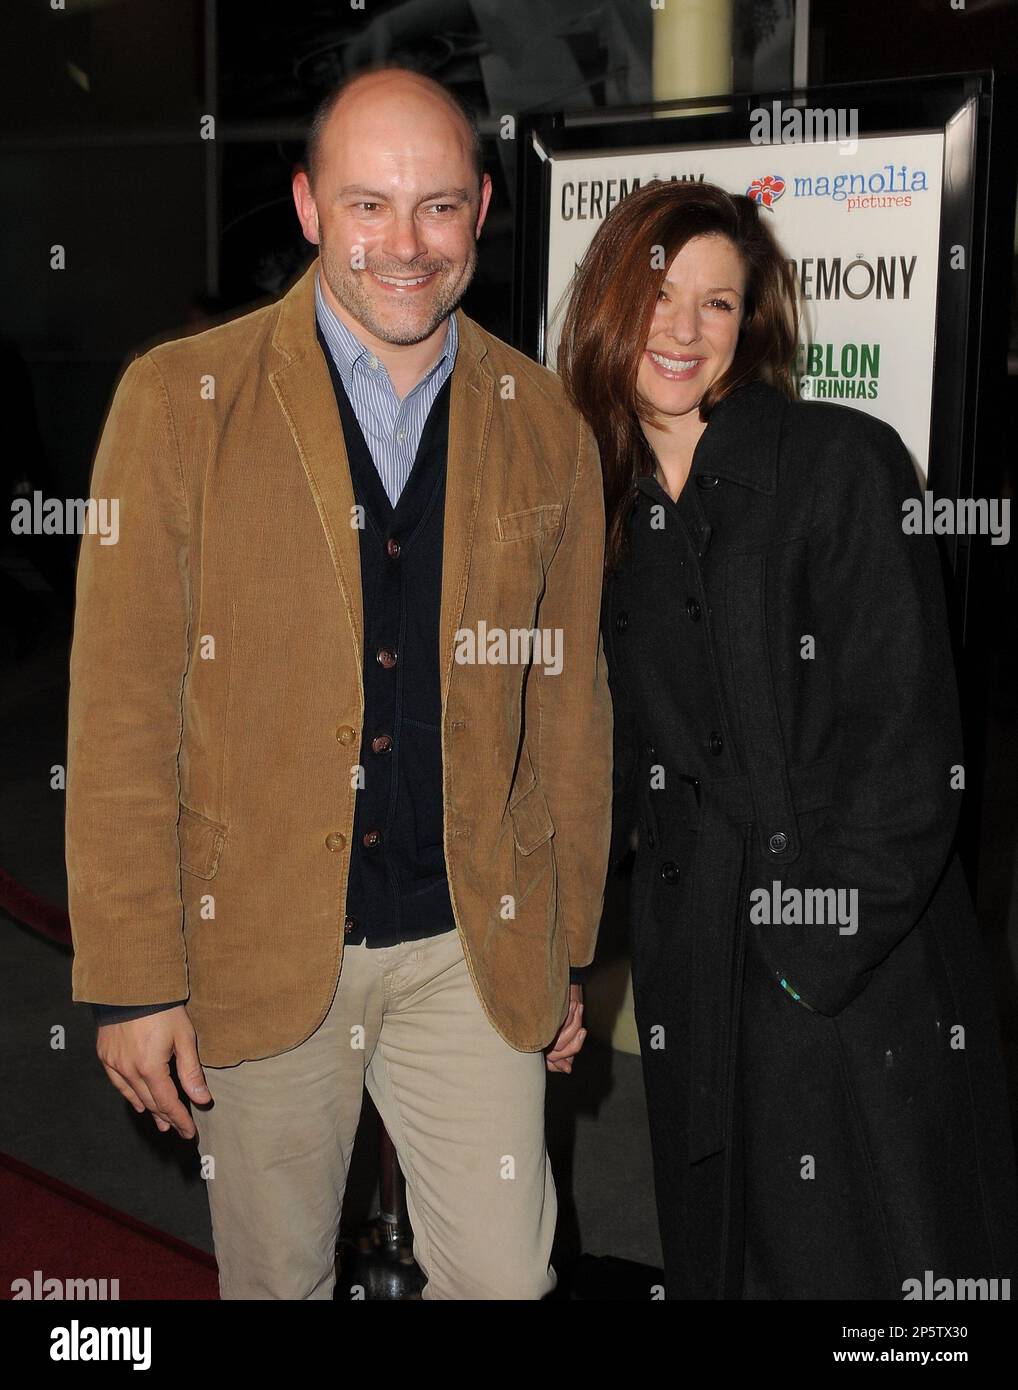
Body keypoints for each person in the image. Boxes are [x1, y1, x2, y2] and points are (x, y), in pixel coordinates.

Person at [66, 66, 613, 1300]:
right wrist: (136, 977)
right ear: (310, 207)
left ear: (481, 209)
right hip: (253, 944)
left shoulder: (546, 421)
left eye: (435, 207)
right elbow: (119, 709)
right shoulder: (176, 401)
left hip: (470, 948)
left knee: (509, 1284)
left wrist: (566, 942)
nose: (404, 246)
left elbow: (569, 709)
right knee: (277, 1287)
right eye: (368, 205)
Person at [558, 178, 1018, 1299]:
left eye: (718, 304)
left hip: (857, 977)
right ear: (607, 301)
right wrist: (560, 951)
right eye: (660, 291)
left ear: (748, 326)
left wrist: (803, 972)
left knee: (883, 1270)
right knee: (734, 1258)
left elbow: (912, 759)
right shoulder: (600, 506)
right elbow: (603, 761)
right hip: (694, 976)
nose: (683, 327)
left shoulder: (841, 464)